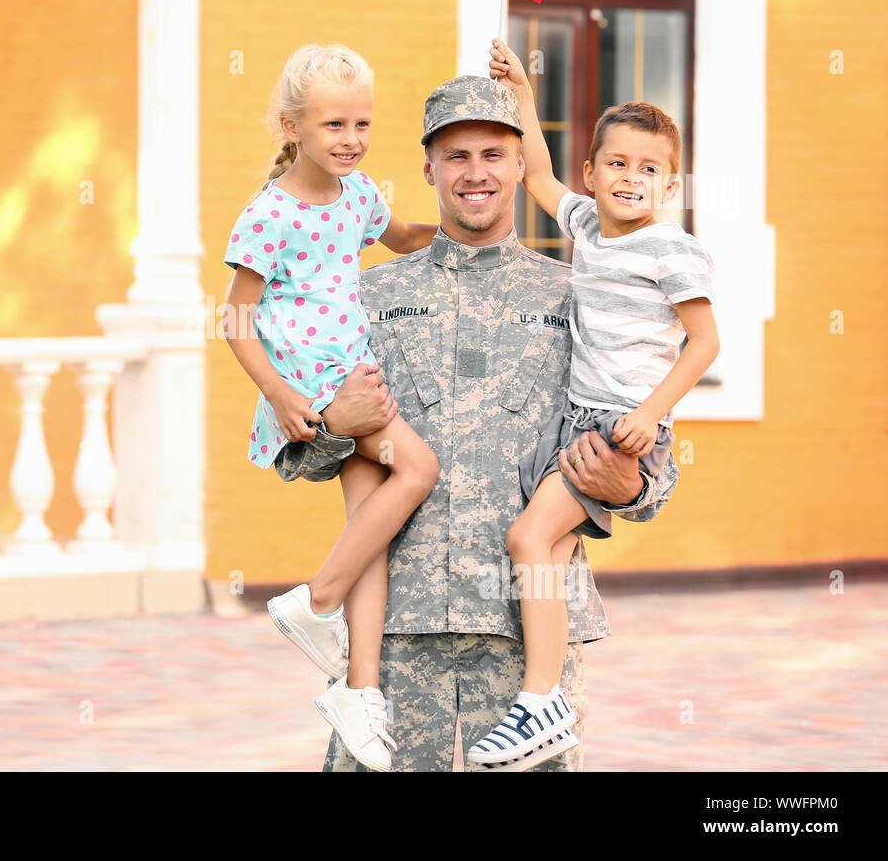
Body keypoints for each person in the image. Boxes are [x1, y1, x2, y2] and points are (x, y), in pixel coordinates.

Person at [274, 73, 680, 772]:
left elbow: (651, 466)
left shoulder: (583, 293)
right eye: (456, 155)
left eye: (494, 154)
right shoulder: (367, 294)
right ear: (428, 167)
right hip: (397, 640)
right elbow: (297, 449)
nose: (475, 173)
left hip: (529, 651)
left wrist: (627, 482)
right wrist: (331, 421)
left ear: (523, 164)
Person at [456, 40, 719, 769]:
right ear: (593, 173)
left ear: (669, 186)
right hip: (574, 420)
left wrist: (651, 410)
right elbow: (535, 171)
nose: (631, 178)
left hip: (619, 426)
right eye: (618, 163)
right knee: (547, 555)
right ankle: (547, 698)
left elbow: (705, 342)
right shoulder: (588, 228)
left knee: (529, 541)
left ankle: (542, 701)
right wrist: (523, 95)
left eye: (650, 169)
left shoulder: (671, 249)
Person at [222, 43, 440, 771]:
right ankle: (315, 600)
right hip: (314, 382)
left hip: (355, 366)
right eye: (333, 125)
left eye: (362, 124)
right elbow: (236, 317)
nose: (350, 139)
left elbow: (404, 238)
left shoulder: (360, 197)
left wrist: (475, 226)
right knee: (419, 467)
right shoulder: (268, 215)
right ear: (291, 127)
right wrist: (280, 395)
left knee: (370, 529)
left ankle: (360, 688)